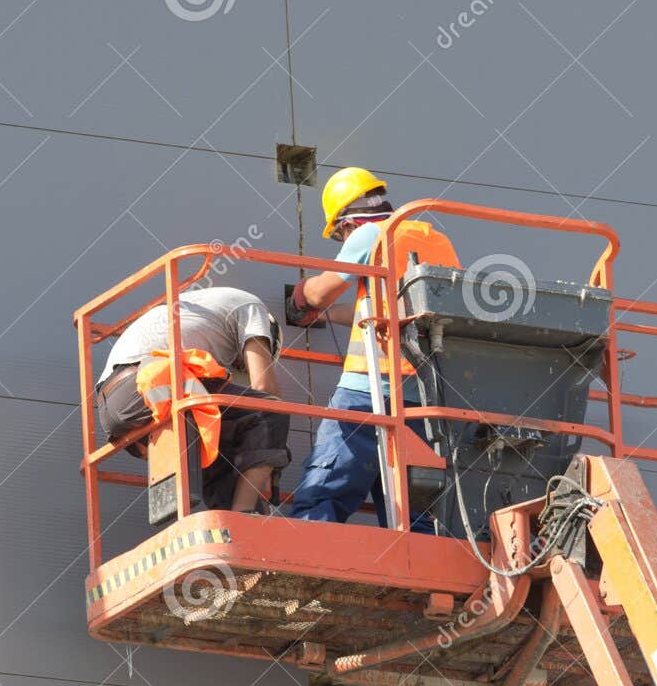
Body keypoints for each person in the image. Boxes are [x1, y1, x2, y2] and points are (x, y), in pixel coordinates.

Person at [284, 167, 457, 528]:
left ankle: (311, 553)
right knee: (417, 508)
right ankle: (422, 577)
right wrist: (330, 318)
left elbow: (321, 292)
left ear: (346, 221)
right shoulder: (435, 240)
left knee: (326, 486)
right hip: (424, 397)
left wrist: (303, 299)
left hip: (368, 389)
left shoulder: (370, 234)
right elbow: (389, 308)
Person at [96, 286, 289, 512]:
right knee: (270, 412)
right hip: (145, 385)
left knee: (219, 438)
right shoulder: (252, 308)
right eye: (241, 365)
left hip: (117, 407)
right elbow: (264, 389)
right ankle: (243, 517)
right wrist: (269, 457)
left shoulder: (207, 319)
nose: (237, 367)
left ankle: (230, 520)